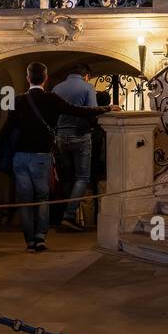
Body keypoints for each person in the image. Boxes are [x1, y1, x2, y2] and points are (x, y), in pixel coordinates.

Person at [0, 61, 116, 252]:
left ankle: (29, 241)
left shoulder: (18, 101)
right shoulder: (52, 99)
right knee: (43, 197)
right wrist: (107, 108)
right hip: (42, 156)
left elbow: (5, 131)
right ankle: (40, 237)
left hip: (20, 157)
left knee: (26, 200)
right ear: (45, 79)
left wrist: (5, 153)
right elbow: (79, 110)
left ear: (27, 78)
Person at [51, 64, 100, 229]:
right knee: (82, 177)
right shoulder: (87, 87)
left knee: (67, 177)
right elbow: (92, 111)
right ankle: (69, 215)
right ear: (86, 76)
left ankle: (63, 213)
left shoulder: (57, 88)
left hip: (60, 136)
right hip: (80, 136)